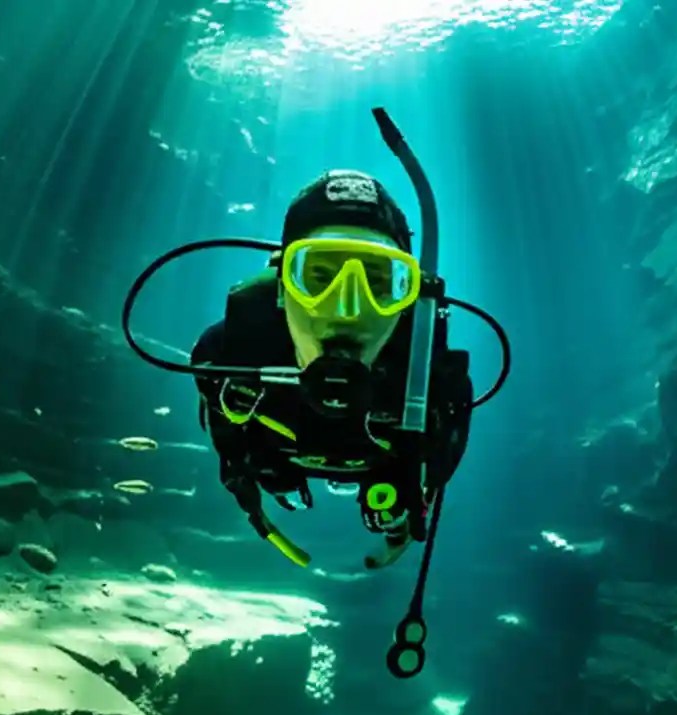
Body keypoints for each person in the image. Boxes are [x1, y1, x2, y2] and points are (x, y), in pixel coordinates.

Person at [189, 169, 475, 570]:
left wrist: (410, 508)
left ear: (409, 299)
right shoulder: (227, 354)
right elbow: (226, 437)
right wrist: (247, 487)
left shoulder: (433, 380)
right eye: (319, 276)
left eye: (378, 282)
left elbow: (437, 462)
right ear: (282, 285)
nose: (347, 310)